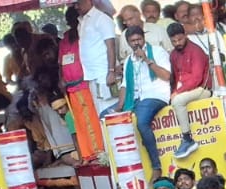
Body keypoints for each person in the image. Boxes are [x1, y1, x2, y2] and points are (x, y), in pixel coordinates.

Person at [116, 25, 173, 175]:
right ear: (128, 42)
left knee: (141, 122)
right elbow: (125, 85)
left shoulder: (158, 52)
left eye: (139, 39)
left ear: (144, 38)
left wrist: (147, 60)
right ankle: (123, 165)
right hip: (135, 99)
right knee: (105, 116)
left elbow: (167, 76)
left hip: (156, 95)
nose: (136, 43)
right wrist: (119, 107)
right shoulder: (128, 60)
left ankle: (156, 167)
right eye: (133, 41)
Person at [167, 23, 210, 160]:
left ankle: (187, 139)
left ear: (185, 35)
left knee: (178, 101)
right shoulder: (173, 54)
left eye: (180, 39)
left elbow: (197, 79)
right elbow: (175, 77)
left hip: (202, 88)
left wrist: (178, 92)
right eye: (174, 41)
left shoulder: (195, 51)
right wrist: (174, 91)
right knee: (171, 100)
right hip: (185, 90)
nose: (177, 43)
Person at [76, 0, 121, 107]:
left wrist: (111, 71)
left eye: (78, 3)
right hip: (92, 75)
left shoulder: (101, 18)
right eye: (74, 4)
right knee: (100, 108)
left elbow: (111, 46)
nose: (76, 7)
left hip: (104, 73)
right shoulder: (81, 22)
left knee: (111, 107)